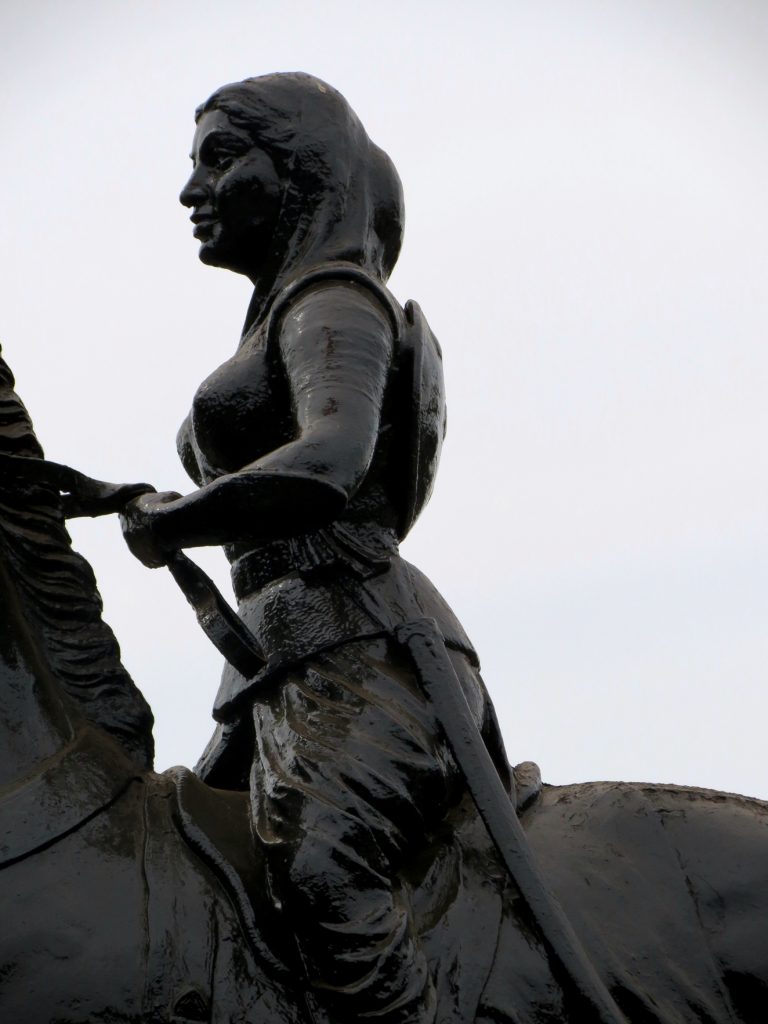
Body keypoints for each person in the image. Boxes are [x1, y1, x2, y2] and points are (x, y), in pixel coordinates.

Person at [121, 72, 511, 1024]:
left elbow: (332, 460)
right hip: (284, 664)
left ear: (297, 173)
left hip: (361, 644)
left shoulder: (334, 300)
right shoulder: (285, 310)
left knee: (321, 870)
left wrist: (177, 521)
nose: (191, 190)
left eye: (221, 157)